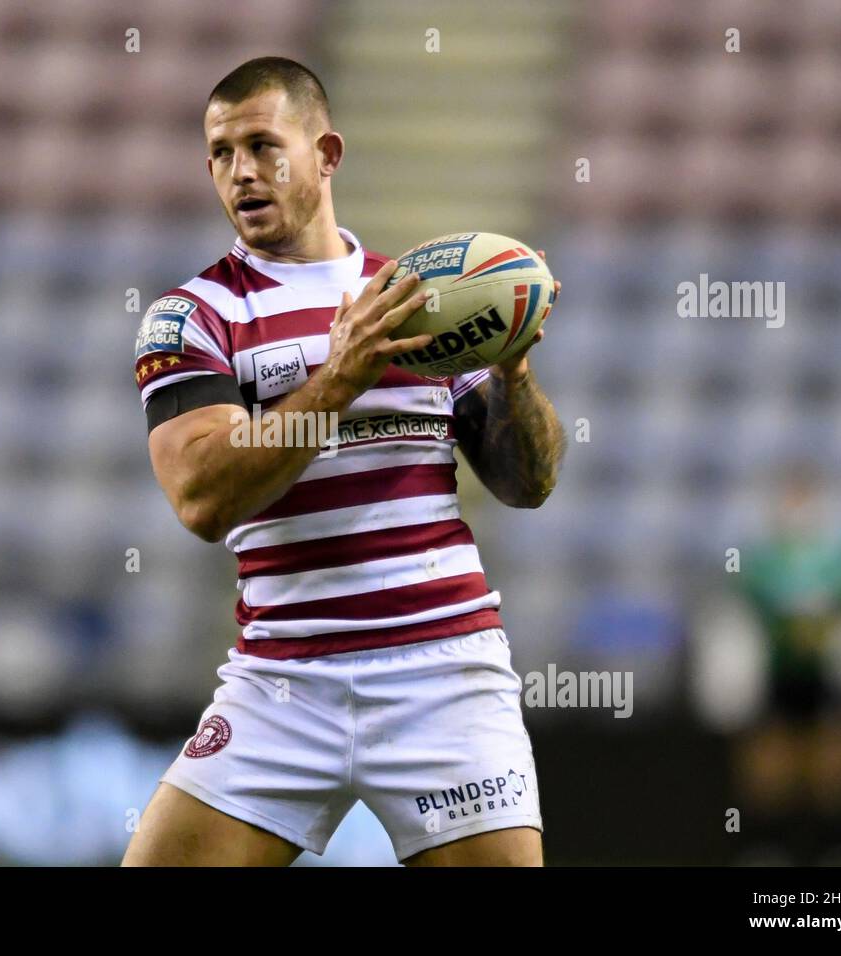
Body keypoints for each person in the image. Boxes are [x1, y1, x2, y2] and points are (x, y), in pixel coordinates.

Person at [123, 57, 565, 866]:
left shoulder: (420, 299)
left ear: (325, 155)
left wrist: (514, 371)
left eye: (263, 145)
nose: (241, 172)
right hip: (283, 679)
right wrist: (341, 379)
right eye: (220, 153)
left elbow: (526, 482)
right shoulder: (195, 315)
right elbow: (201, 497)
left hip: (441, 670)